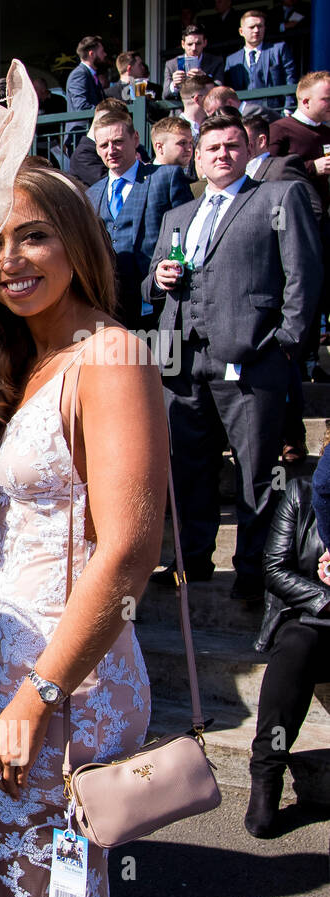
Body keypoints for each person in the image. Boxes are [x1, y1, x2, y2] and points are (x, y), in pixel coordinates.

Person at [0, 64, 169, 897]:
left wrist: (41, 693)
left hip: (59, 686)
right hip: (3, 682)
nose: (12, 260)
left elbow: (130, 552)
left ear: (76, 239)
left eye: (34, 237)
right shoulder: (21, 358)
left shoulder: (109, 355)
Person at [144, 110, 322, 603]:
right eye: (213, 148)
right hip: (182, 360)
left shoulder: (277, 197)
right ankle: (190, 561)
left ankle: (254, 572)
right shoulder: (177, 215)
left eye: (232, 146)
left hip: (252, 356)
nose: (223, 154)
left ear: (248, 151)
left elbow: (303, 276)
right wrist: (158, 278)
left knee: (257, 471)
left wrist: (286, 343)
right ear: (197, 159)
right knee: (188, 467)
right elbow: (149, 283)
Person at [246, 468, 330, 837]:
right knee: (296, 644)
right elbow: (276, 569)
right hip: (312, 616)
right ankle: (267, 772)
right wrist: (325, 599)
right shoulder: (301, 494)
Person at [85, 110, 193, 326]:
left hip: (160, 306)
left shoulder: (166, 177)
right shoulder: (91, 194)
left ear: (135, 139)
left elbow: (187, 234)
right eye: (103, 145)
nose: (111, 150)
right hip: (113, 311)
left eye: (118, 141)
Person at [268, 70, 330, 209]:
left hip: (322, 216)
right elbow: (267, 169)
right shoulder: (279, 129)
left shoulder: (327, 132)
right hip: (291, 214)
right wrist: (312, 167)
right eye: (327, 99)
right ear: (306, 102)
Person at [224, 9, 298, 109]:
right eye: (252, 27)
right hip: (244, 115)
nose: (256, 30)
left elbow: (291, 78)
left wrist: (288, 108)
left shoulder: (278, 49)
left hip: (275, 112)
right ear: (241, 31)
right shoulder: (232, 60)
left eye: (260, 26)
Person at [164, 23, 225, 96]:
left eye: (198, 43)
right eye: (190, 44)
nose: (194, 48)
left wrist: (204, 79)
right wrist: (174, 85)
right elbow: (165, 94)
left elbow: (220, 92)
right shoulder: (171, 64)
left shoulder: (216, 62)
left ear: (205, 43)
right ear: (183, 44)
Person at [66, 35, 108, 137]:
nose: (105, 55)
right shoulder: (80, 74)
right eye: (102, 52)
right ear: (91, 54)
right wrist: (107, 112)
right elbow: (81, 106)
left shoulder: (90, 75)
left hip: (89, 134)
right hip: (81, 135)